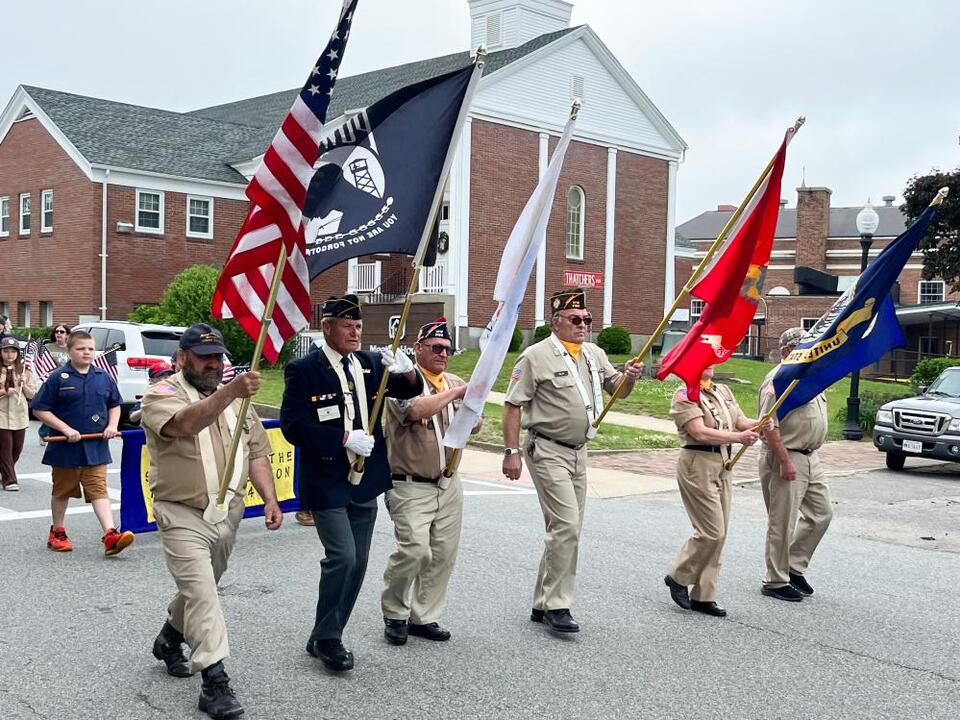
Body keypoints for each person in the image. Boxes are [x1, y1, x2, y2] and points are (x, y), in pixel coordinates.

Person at [141, 323, 282, 720]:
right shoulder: (161, 393)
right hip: (181, 511)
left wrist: (270, 499)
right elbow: (185, 424)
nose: (213, 364)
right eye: (203, 357)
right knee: (204, 593)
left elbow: (256, 451)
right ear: (182, 358)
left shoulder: (239, 399)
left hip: (227, 512)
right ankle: (215, 682)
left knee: (203, 586)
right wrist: (229, 393)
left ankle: (170, 637)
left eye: (218, 357)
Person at [280, 294, 420, 672]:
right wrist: (343, 439)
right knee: (342, 557)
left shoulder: (370, 363)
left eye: (358, 326)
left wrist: (407, 370)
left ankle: (327, 632)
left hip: (365, 480)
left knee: (358, 563)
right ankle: (328, 640)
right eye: (347, 326)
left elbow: (410, 390)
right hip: (327, 478)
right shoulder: (304, 369)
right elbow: (293, 426)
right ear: (327, 328)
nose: (355, 333)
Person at [502, 288, 643, 635]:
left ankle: (541, 601)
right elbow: (511, 404)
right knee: (566, 525)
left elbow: (617, 390)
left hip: (580, 451)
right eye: (576, 319)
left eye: (588, 320)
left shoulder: (594, 353)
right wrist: (511, 452)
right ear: (557, 322)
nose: (584, 325)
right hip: (547, 449)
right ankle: (557, 605)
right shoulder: (536, 356)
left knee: (565, 528)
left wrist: (629, 376)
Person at [380, 317, 481, 646]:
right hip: (410, 484)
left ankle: (424, 615)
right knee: (414, 551)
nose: (443, 354)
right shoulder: (402, 380)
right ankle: (395, 612)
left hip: (448, 482)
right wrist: (455, 393)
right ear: (418, 348)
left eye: (448, 350)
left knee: (443, 553)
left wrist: (471, 408)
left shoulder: (452, 380)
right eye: (436, 348)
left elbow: (475, 425)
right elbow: (413, 411)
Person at [664, 364, 768, 617]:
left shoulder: (722, 390)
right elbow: (698, 432)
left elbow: (740, 421)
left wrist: (759, 423)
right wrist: (737, 438)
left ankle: (704, 595)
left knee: (720, 534)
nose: (710, 363)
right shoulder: (685, 395)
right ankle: (678, 576)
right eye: (704, 359)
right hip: (697, 464)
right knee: (711, 531)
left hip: (723, 464)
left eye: (713, 359)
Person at [31, 330, 133, 555]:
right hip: (65, 447)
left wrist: (112, 426)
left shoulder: (103, 377)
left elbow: (114, 403)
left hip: (95, 446)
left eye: (90, 348)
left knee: (98, 489)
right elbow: (39, 408)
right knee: (62, 491)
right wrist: (66, 429)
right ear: (69, 351)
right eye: (80, 349)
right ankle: (57, 531)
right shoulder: (58, 377)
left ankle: (110, 534)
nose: (86, 352)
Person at [758, 327, 831, 602]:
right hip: (786, 457)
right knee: (782, 521)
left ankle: (794, 565)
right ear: (788, 351)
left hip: (811, 457)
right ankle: (775, 580)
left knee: (821, 515)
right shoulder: (778, 379)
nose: (810, 352)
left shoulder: (810, 377)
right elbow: (768, 424)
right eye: (802, 347)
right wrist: (785, 460)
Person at [0, 335, 36, 491]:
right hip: (1, 414)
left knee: (17, 449)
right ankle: (9, 480)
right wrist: (3, 391)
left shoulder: (24, 371)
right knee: (5, 448)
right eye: (6, 351)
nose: (10, 355)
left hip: (19, 414)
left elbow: (31, 395)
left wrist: (23, 384)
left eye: (13, 352)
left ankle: (4, 470)